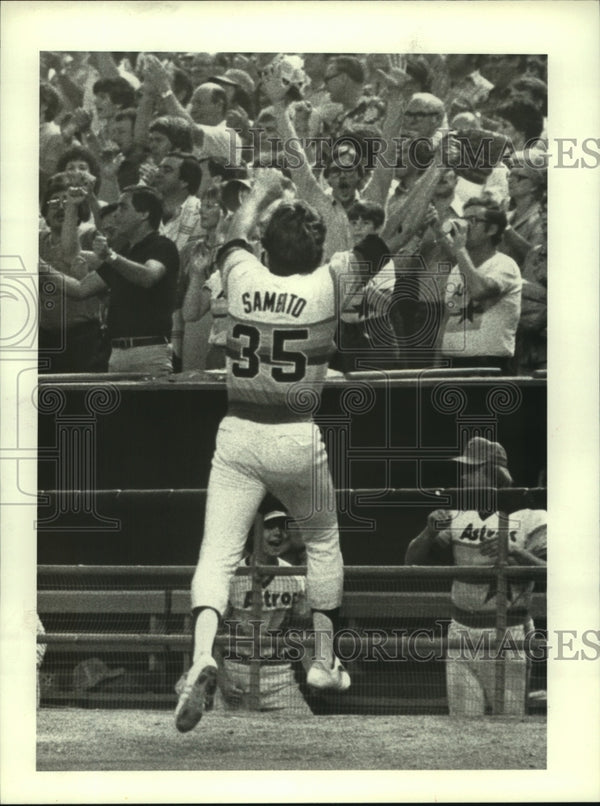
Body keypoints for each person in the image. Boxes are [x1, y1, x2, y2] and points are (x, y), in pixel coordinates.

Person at [174, 168, 384, 733]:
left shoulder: (242, 273)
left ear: (267, 246)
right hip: (296, 432)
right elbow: (387, 238)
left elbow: (232, 235)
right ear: (318, 248)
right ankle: (322, 660)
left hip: (239, 429)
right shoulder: (329, 282)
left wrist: (264, 191)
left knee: (216, 553)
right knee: (322, 542)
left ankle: (199, 656)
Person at [404, 437, 547, 716]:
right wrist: (429, 532)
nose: (464, 476)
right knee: (463, 727)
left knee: (508, 727)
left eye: (473, 469)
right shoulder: (456, 515)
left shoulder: (532, 517)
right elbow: (411, 562)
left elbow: (555, 575)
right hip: (461, 631)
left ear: (494, 474)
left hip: (508, 634)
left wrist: (515, 551)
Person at [176, 509, 312, 713]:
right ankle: (195, 688)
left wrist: (313, 669)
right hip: (235, 671)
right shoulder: (231, 576)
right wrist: (222, 681)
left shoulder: (295, 578)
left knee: (305, 730)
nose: (278, 533)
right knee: (215, 734)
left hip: (278, 675)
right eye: (270, 527)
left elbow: (301, 630)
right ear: (254, 533)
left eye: (284, 528)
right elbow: (213, 635)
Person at [44, 185, 179, 376]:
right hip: (116, 353)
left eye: (123, 207)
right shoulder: (124, 253)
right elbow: (79, 284)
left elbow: (148, 277)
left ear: (144, 214)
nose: (116, 215)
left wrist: (110, 256)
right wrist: (41, 268)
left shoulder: (163, 246)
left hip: (149, 353)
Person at [439, 196, 522, 373]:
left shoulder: (504, 265)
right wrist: (437, 363)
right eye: (463, 220)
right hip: (453, 363)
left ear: (492, 229)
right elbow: (447, 319)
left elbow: (479, 291)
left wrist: (460, 249)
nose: (464, 226)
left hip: (487, 365)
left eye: (472, 221)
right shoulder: (456, 269)